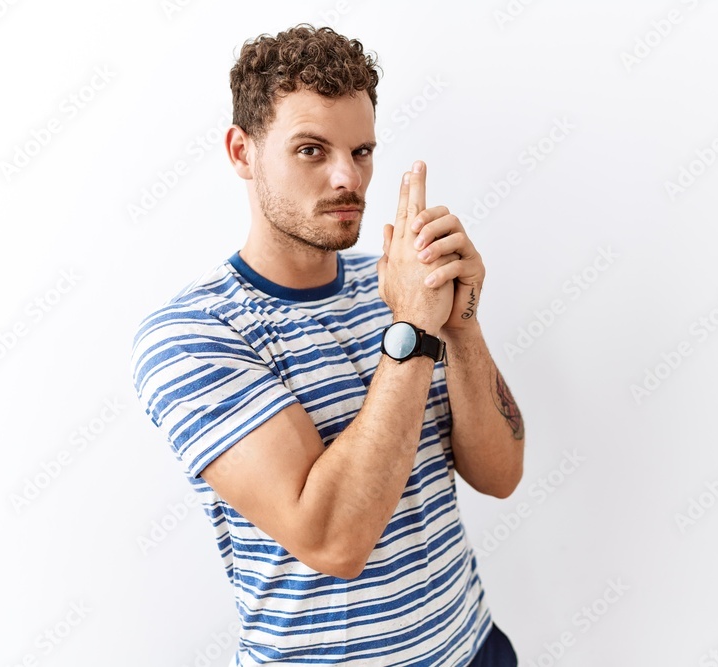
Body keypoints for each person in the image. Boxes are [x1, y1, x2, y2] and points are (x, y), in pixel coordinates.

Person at [129, 24, 526, 666]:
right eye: (312, 150)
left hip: (472, 646)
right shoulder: (191, 336)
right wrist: (416, 330)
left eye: (362, 150)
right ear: (242, 152)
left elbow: (500, 474)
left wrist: (462, 324)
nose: (349, 178)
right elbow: (335, 540)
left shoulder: (395, 285)